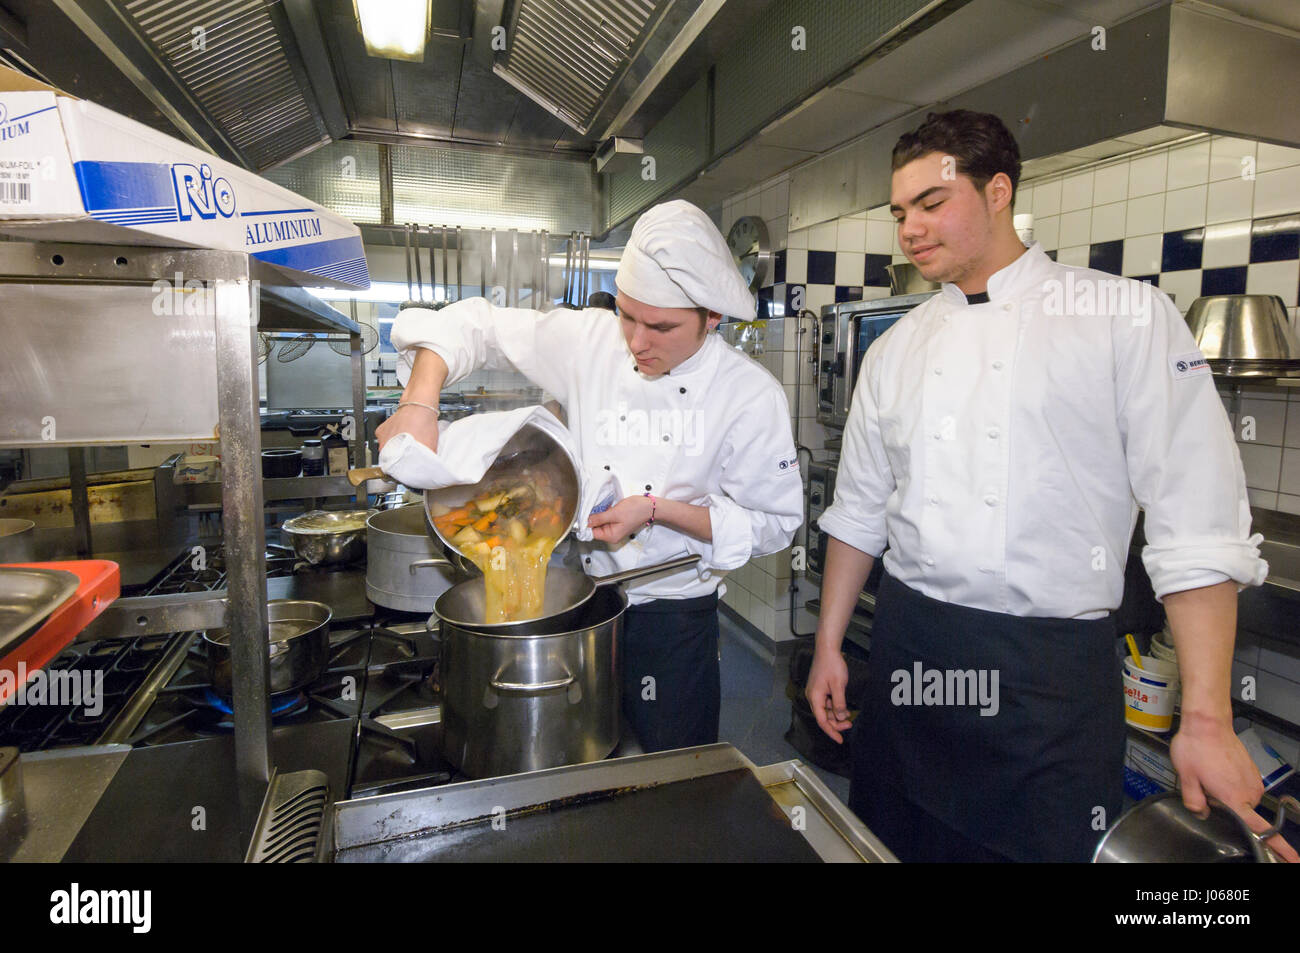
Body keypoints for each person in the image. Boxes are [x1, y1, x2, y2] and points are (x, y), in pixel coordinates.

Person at [805, 108, 1297, 863]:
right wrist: (830, 644)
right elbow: (860, 510)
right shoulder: (898, 349)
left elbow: (1194, 525)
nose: (909, 228)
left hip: (1046, 678)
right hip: (912, 651)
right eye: (900, 212)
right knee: (889, 840)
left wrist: (1203, 716)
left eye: (931, 204)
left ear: (998, 191)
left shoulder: (1123, 318)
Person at [380, 200, 804, 752]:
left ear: (712, 317)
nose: (636, 342)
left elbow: (775, 525)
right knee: (577, 756)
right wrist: (421, 401)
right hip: (584, 599)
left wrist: (656, 511)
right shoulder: (591, 341)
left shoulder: (749, 396)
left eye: (661, 326)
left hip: (672, 623)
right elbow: (475, 326)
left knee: (667, 773)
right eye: (628, 315)